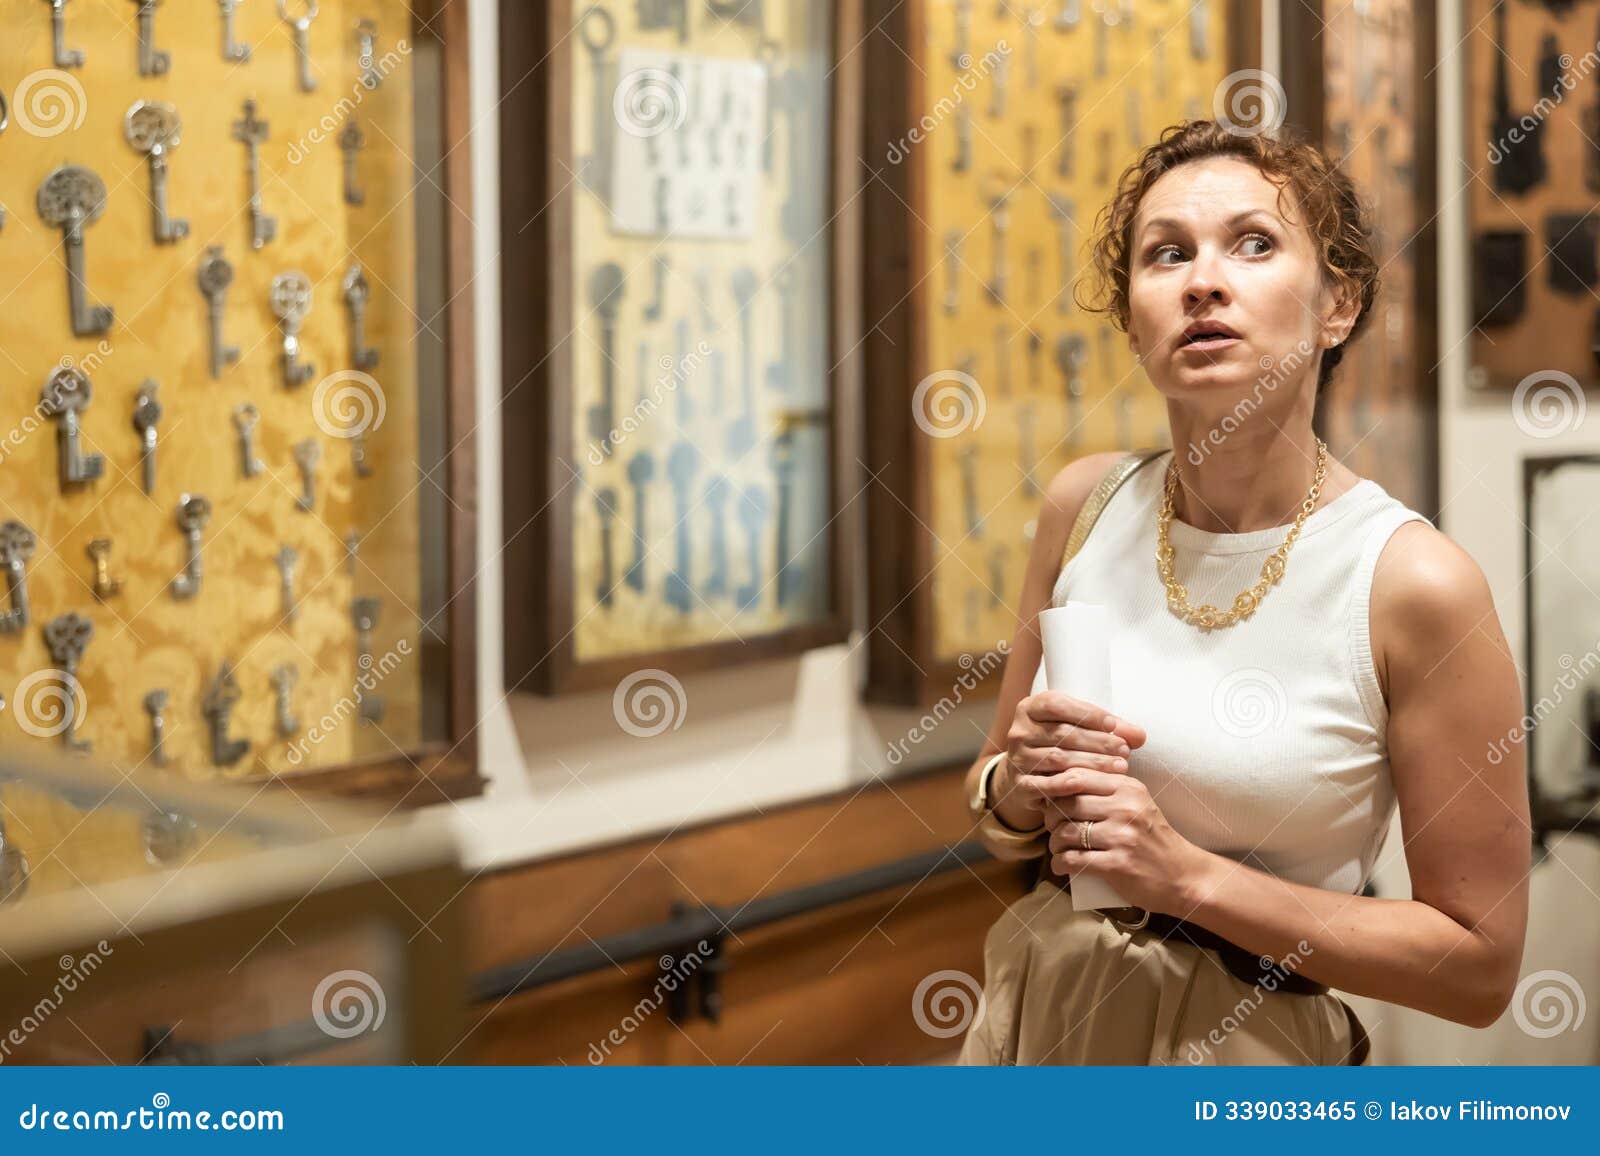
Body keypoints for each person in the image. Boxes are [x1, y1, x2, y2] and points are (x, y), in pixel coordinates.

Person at [957, 120, 1530, 1066]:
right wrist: (1017, 786)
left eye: (1254, 244)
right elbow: (993, 814)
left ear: (1337, 305)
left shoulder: (1412, 582)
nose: (1202, 282)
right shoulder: (1083, 508)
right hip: (1035, 1021)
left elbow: (1478, 969)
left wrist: (1185, 878)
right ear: (1132, 322)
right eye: (1166, 254)